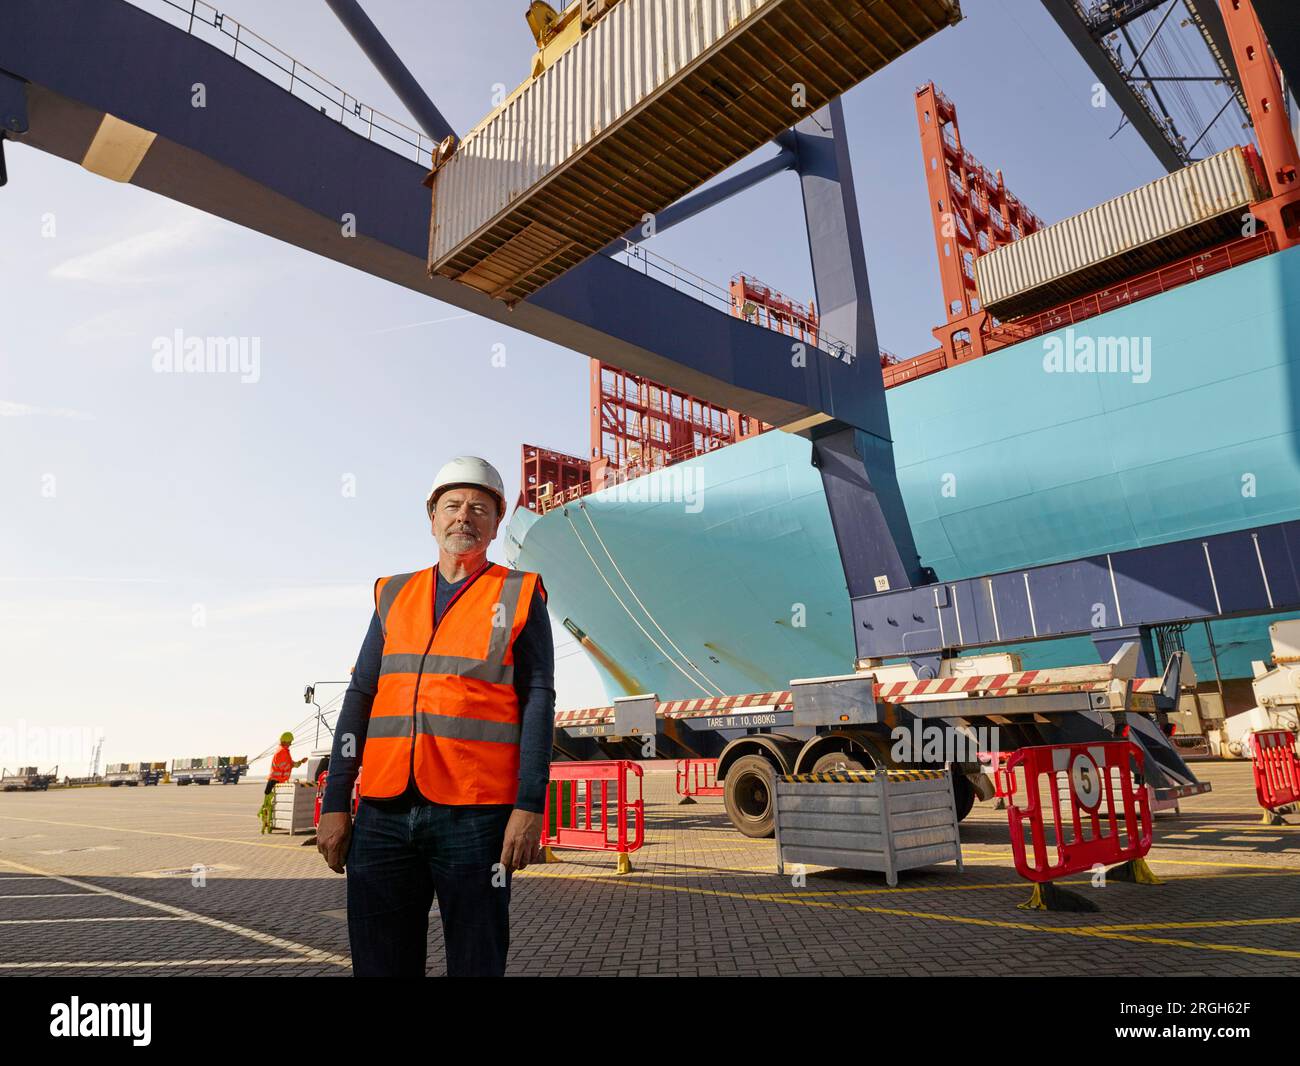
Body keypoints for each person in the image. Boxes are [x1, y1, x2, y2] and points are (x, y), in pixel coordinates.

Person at [316, 456, 555, 977]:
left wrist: (529, 805)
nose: (462, 516)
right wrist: (336, 801)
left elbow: (539, 698)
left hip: (476, 815)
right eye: (451, 505)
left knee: (476, 962)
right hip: (382, 812)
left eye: (479, 507)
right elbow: (360, 695)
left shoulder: (518, 592)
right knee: (379, 964)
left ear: (496, 523)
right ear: (431, 517)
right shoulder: (393, 594)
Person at [259, 732, 307, 830]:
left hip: (279, 781)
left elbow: (290, 764)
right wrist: (294, 765)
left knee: (272, 803)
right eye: (290, 741)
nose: (291, 743)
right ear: (285, 741)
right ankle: (266, 822)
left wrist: (300, 762)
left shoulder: (285, 751)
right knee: (269, 803)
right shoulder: (281, 752)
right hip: (274, 781)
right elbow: (284, 766)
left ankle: (270, 823)